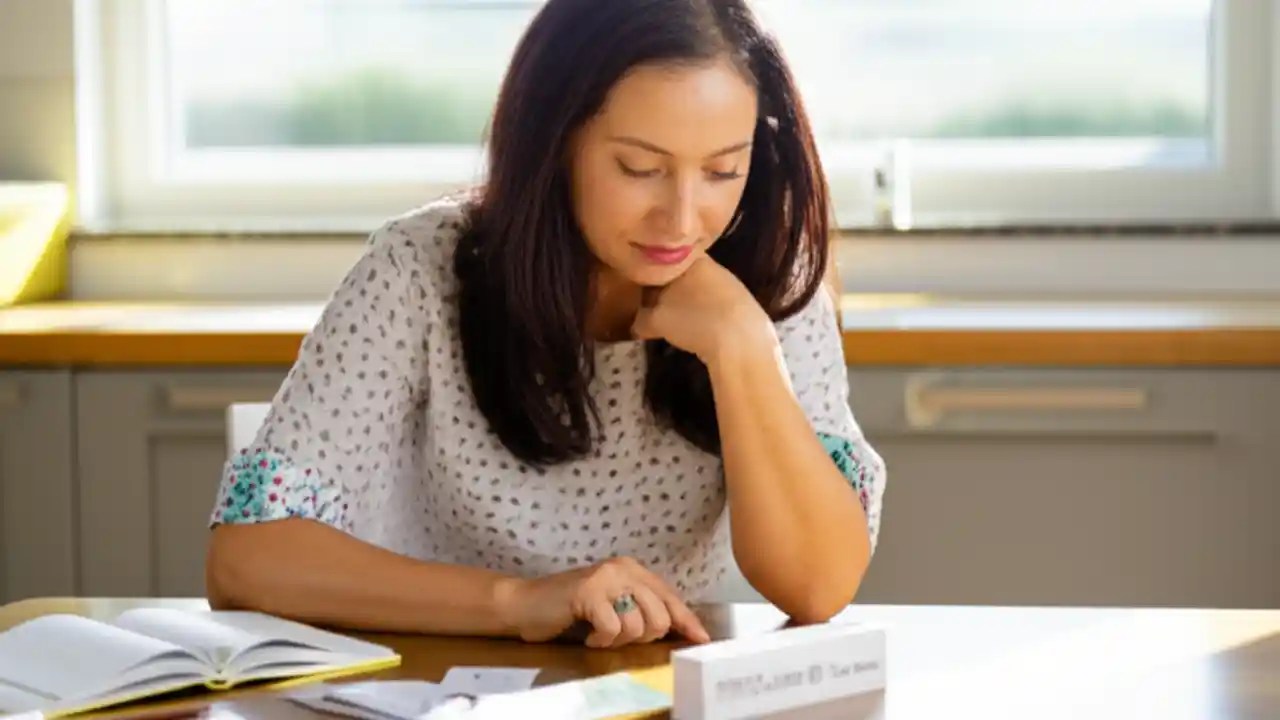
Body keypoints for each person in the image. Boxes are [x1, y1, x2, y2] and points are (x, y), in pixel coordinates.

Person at [205, 0, 886, 649]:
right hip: (441, 689)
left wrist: (743, 347)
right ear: (554, 142)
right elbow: (245, 559)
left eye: (721, 171)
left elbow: (818, 586)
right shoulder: (419, 271)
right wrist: (520, 603)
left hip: (659, 688)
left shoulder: (764, 271)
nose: (681, 219)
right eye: (639, 168)